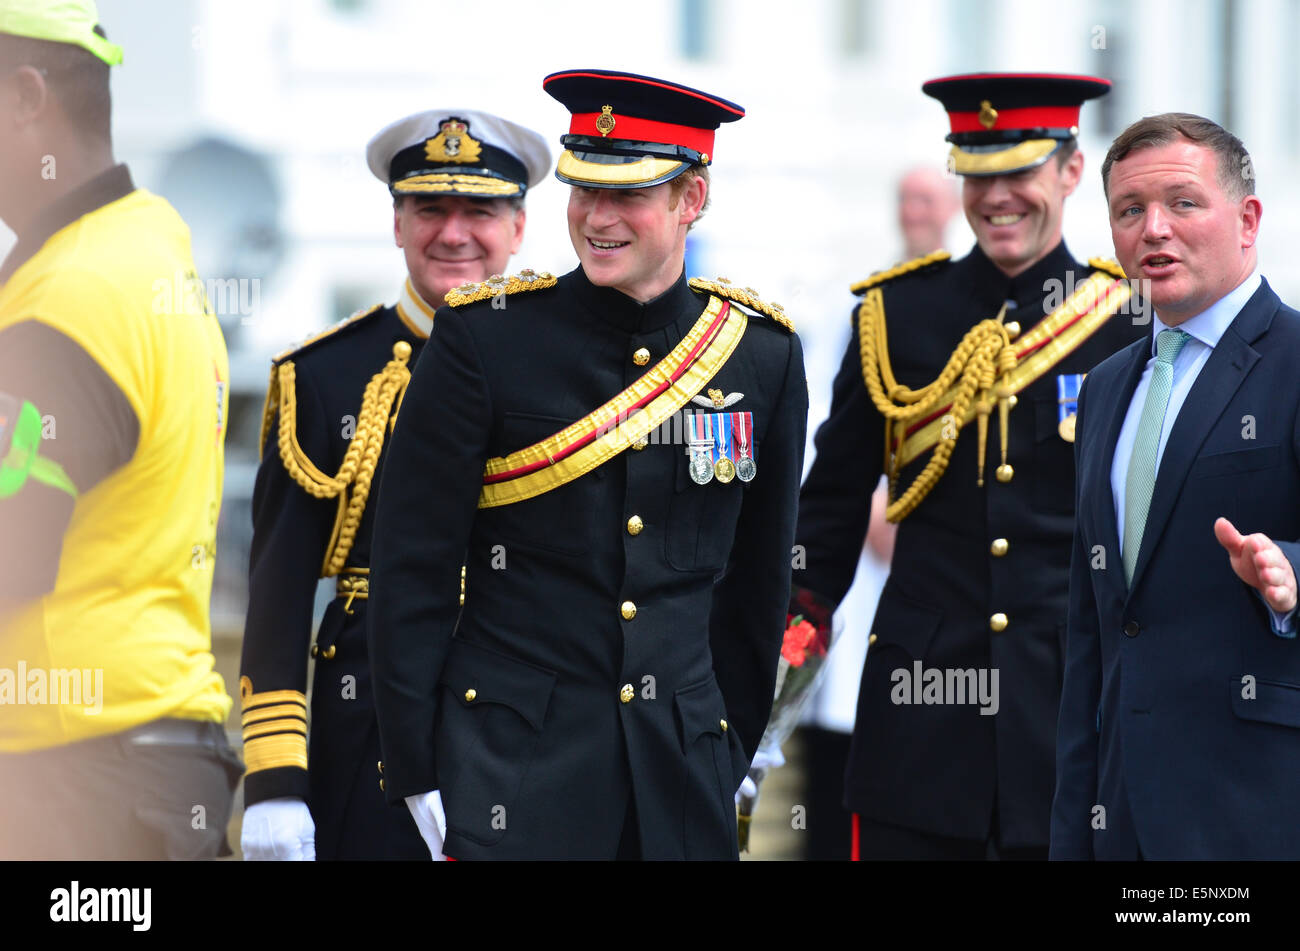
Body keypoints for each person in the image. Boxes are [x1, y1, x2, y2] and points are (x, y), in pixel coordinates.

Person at [366, 68, 808, 860]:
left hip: (680, 774)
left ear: (691, 200)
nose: (597, 218)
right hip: (511, 772)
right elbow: (413, 565)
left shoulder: (761, 355)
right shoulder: (485, 340)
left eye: (628, 194)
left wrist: (725, 747)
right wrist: (415, 765)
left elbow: (756, 585)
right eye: (583, 190)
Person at [787, 73, 1146, 860]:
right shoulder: (894, 315)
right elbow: (832, 506)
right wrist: (779, 667)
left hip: (1070, 718)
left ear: (1071, 171)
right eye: (978, 172)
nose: (998, 196)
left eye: (1019, 171)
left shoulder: (1128, 322)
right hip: (918, 728)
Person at [238, 109, 550, 860]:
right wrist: (275, 781)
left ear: (518, 226)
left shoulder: (568, 363)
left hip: (537, 726)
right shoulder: (323, 376)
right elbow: (277, 597)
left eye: (479, 211)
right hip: (369, 725)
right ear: (398, 223)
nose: (453, 234)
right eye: (429, 210)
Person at [0, 0, 239, 859]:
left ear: (27, 96)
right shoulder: (140, 257)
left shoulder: (69, 298)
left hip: (75, 782)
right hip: (137, 771)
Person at [1052, 114, 1300, 860]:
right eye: (1130, 210)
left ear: (1247, 218)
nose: (1153, 228)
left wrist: (1292, 571)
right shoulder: (1104, 387)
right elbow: (1092, 631)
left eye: (1183, 203)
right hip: (1122, 816)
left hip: (1257, 812)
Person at [794, 163, 957, 861]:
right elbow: (831, 434)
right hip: (864, 554)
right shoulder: (866, 308)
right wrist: (875, 514)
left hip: (944, 568)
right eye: (906, 199)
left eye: (926, 198)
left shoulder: (976, 307)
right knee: (838, 757)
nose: (914, 210)